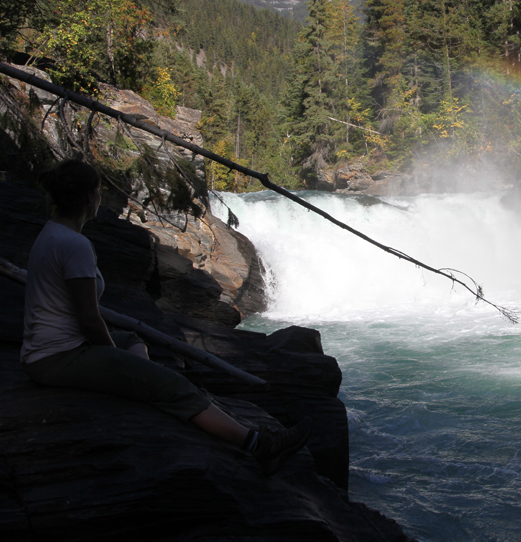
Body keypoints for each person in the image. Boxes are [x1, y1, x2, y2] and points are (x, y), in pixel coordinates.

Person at [21, 159, 309, 476]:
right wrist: (113, 358)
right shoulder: (75, 245)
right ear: (90, 198)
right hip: (60, 357)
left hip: (49, 351)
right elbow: (89, 319)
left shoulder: (51, 234)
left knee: (132, 340)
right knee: (172, 384)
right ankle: (258, 445)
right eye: (99, 192)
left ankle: (145, 383)